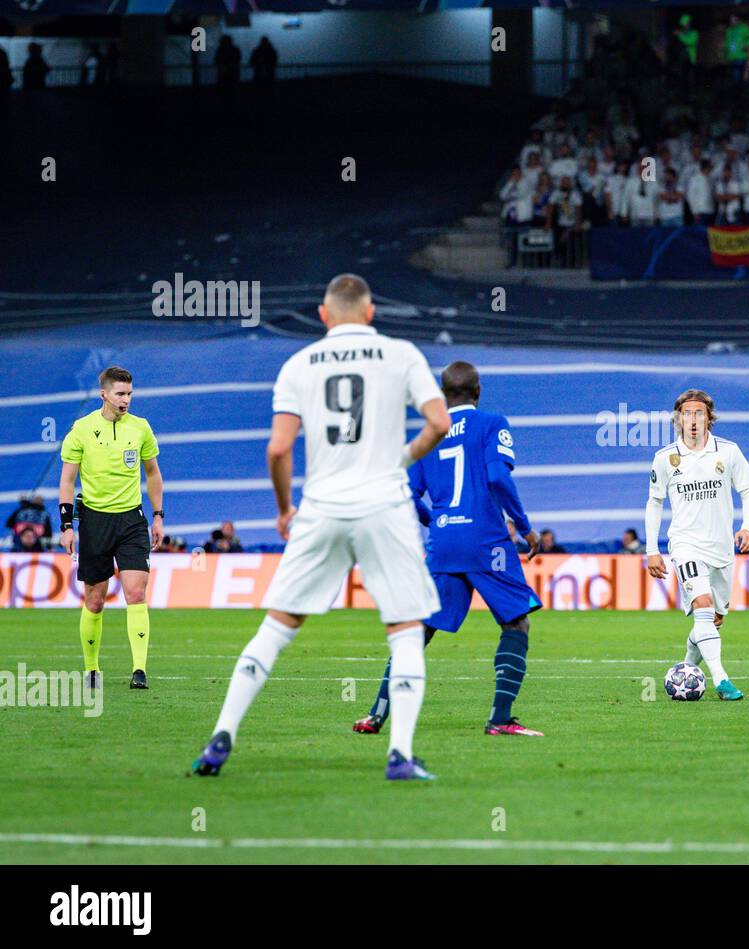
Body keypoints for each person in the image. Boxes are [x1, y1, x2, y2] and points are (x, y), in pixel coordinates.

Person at [191, 274, 450, 782]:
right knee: (404, 630)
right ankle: (399, 755)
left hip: (322, 506)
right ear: (371, 311)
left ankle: (221, 737)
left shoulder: (298, 364)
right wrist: (403, 457)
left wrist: (284, 508)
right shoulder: (401, 354)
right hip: (383, 503)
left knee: (277, 626)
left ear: (323, 314)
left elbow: (278, 449)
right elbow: (439, 423)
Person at [353, 360, 544, 739]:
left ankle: (375, 715)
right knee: (515, 622)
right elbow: (496, 477)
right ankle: (500, 719)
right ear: (478, 391)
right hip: (485, 539)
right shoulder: (492, 424)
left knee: (418, 630)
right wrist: (524, 527)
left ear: (443, 394)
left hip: (442, 542)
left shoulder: (430, 435)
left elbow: (406, 493)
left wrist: (434, 520)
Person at [646, 389, 749, 701]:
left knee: (713, 620)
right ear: (678, 419)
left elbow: (748, 492)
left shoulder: (729, 452)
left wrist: (747, 528)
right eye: (686, 414)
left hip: (721, 549)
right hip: (685, 545)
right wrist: (651, 549)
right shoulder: (665, 458)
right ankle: (722, 680)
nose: (692, 420)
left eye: (698, 413)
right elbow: (654, 503)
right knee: (703, 607)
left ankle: (685, 671)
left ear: (709, 418)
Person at [58, 367, 165, 691]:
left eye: (130, 394)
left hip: (131, 520)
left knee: (136, 592)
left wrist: (158, 516)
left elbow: (153, 474)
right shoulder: (82, 429)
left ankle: (139, 670)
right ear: (103, 394)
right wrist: (67, 526)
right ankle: (91, 669)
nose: (126, 400)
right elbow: (66, 480)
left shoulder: (141, 428)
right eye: (120, 394)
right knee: (95, 600)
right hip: (94, 521)